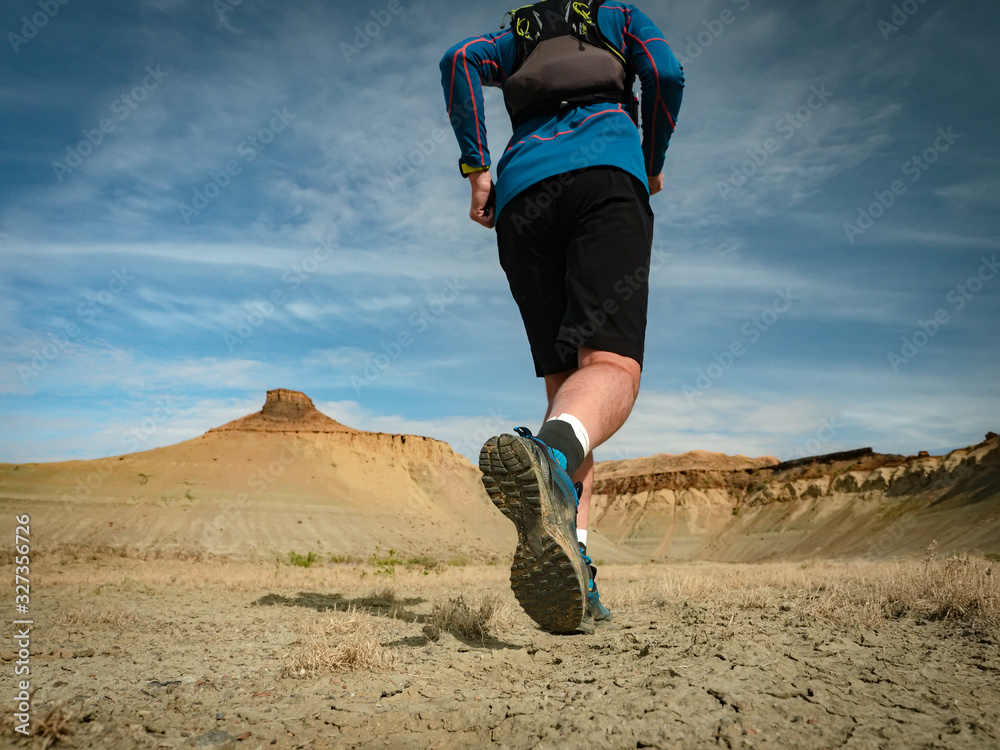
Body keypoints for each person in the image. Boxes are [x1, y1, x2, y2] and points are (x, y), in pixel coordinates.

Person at [440, 0, 684, 634]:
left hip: (522, 201)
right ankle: (547, 459)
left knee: (568, 394)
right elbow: (666, 72)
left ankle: (573, 561)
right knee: (610, 368)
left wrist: (476, 170)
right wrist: (650, 160)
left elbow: (459, 61)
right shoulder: (614, 15)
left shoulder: (512, 35)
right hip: (604, 176)